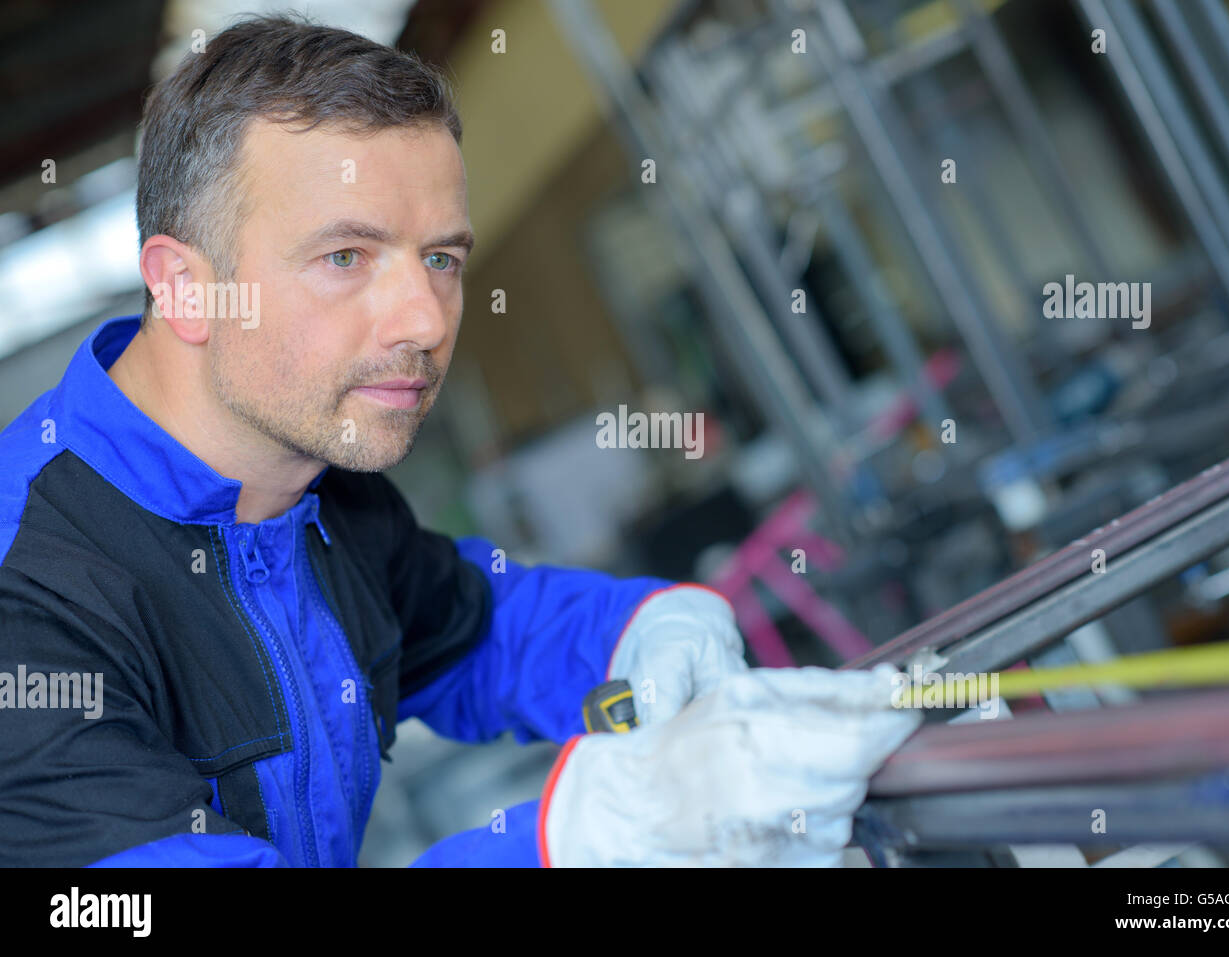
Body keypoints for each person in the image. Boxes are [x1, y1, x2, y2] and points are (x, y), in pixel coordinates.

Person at [0, 15, 919, 867]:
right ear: (186, 288)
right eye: (345, 257)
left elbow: (475, 629)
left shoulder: (315, 487)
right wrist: (580, 835)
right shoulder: (29, 597)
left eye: (441, 258)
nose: (422, 320)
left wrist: (641, 630)